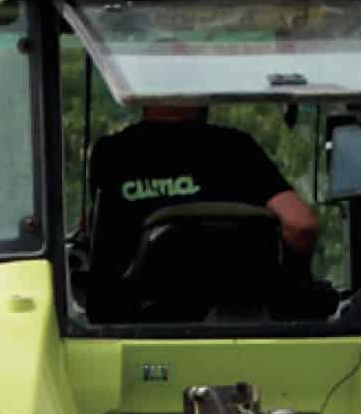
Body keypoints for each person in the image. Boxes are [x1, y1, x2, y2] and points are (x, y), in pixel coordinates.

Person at [85, 103, 318, 292]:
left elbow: (103, 239)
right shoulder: (236, 149)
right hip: (243, 321)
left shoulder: (111, 153)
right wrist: (292, 297)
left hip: (133, 324)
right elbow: (300, 226)